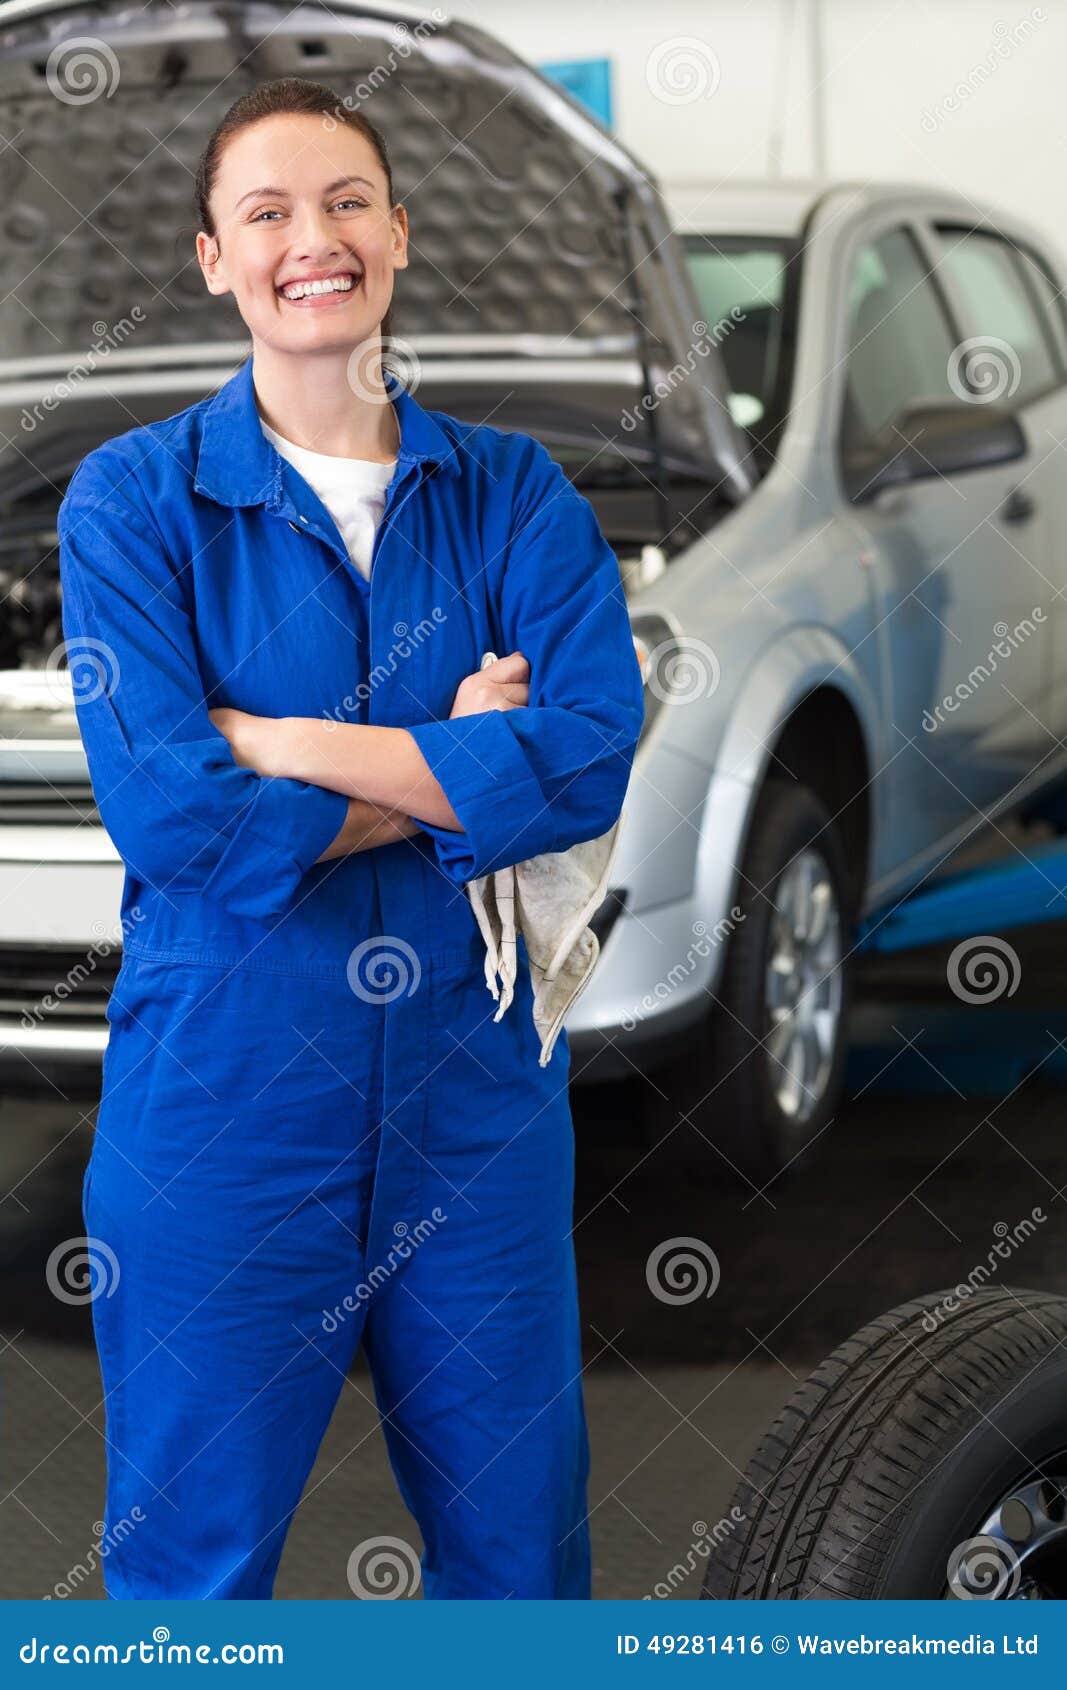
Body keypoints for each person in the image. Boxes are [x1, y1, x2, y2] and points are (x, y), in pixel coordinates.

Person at [56, 75, 645, 1600]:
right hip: (226, 1096)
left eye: (345, 202)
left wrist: (281, 742)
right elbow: (174, 813)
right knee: (191, 1575)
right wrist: (455, 759)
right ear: (212, 259)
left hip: (479, 1096)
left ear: (398, 231)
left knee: (521, 1564)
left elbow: (584, 757)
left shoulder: (514, 494)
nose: (310, 239)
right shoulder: (133, 504)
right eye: (266, 212)